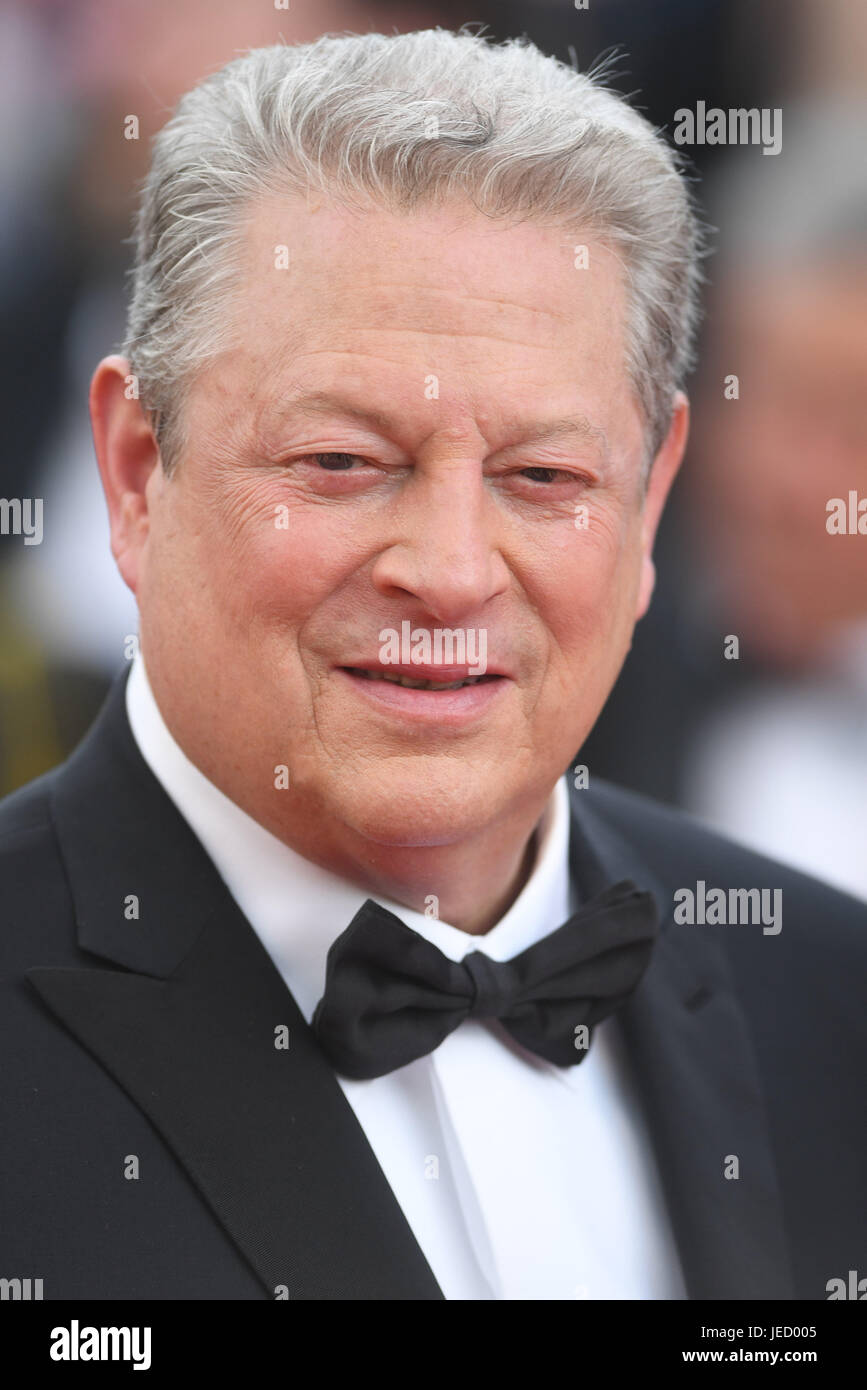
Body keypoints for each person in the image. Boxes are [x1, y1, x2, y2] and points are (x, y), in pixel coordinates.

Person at [0, 29, 863, 1302]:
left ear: (650, 501)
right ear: (138, 471)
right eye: (343, 461)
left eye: (544, 477)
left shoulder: (835, 1003)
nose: (452, 570)